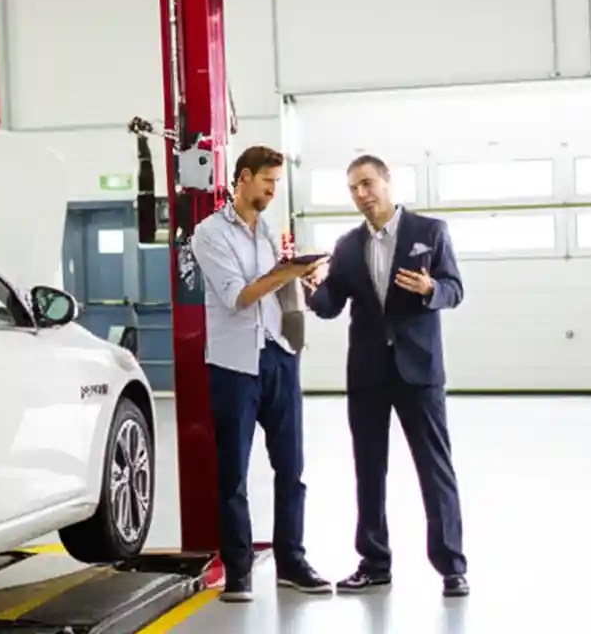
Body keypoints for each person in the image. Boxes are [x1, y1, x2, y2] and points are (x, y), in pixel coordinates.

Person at [302, 154, 470, 598]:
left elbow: (455, 288)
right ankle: (374, 562)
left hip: (419, 373)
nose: (362, 194)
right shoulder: (346, 245)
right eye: (354, 188)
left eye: (368, 184)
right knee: (369, 471)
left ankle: (452, 566)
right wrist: (310, 288)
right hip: (368, 375)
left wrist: (432, 289)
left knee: (435, 470)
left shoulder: (429, 232)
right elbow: (331, 305)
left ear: (388, 182)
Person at [190, 145, 332, 602]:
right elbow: (238, 296)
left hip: (279, 355)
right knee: (233, 473)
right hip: (235, 367)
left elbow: (272, 289)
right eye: (267, 182)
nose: (273, 190)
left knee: (291, 468)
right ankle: (239, 571)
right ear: (244, 177)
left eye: (277, 184)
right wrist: (286, 270)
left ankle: (291, 561)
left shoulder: (268, 230)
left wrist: (300, 277)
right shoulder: (208, 234)